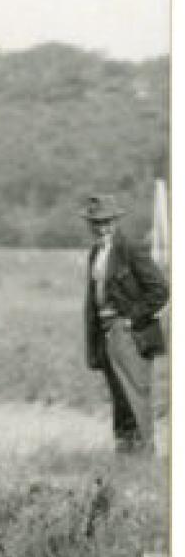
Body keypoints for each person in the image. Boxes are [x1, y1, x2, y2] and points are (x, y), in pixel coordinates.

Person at [82, 194, 169, 454]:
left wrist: (132, 319)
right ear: (89, 224)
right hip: (104, 331)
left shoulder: (131, 248)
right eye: (96, 222)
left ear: (116, 221)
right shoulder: (95, 252)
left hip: (128, 331)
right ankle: (125, 454)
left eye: (107, 221)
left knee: (135, 393)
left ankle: (144, 452)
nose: (101, 227)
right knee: (119, 394)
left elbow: (160, 291)